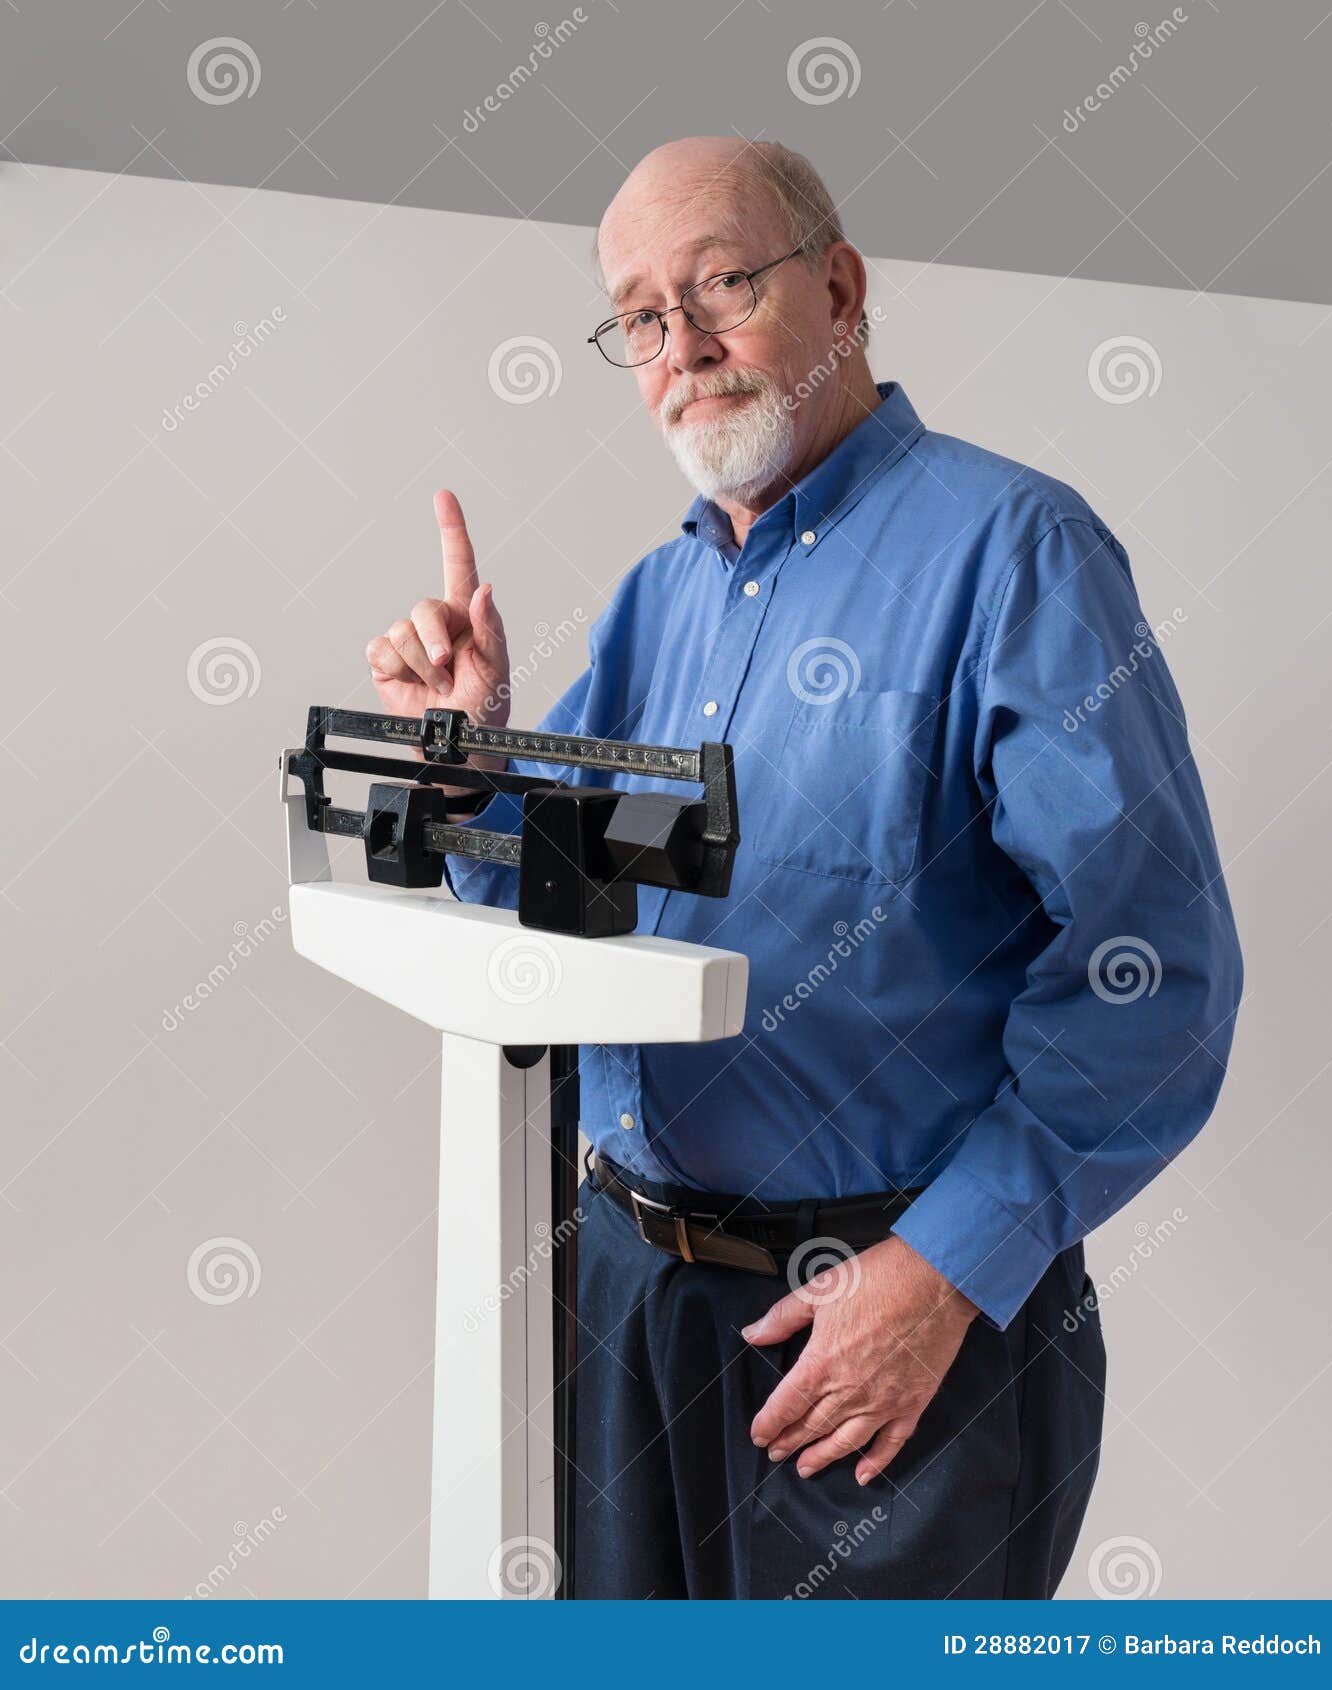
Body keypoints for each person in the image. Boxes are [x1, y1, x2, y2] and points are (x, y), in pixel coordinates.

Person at [365, 137, 1243, 1599]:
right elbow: (558, 902)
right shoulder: (662, 597)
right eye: (640, 317)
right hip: (628, 1304)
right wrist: (470, 761)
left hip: (884, 1320)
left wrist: (946, 1266)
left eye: (718, 283)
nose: (684, 346)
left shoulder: (1015, 550)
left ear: (837, 288)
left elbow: (1152, 974)